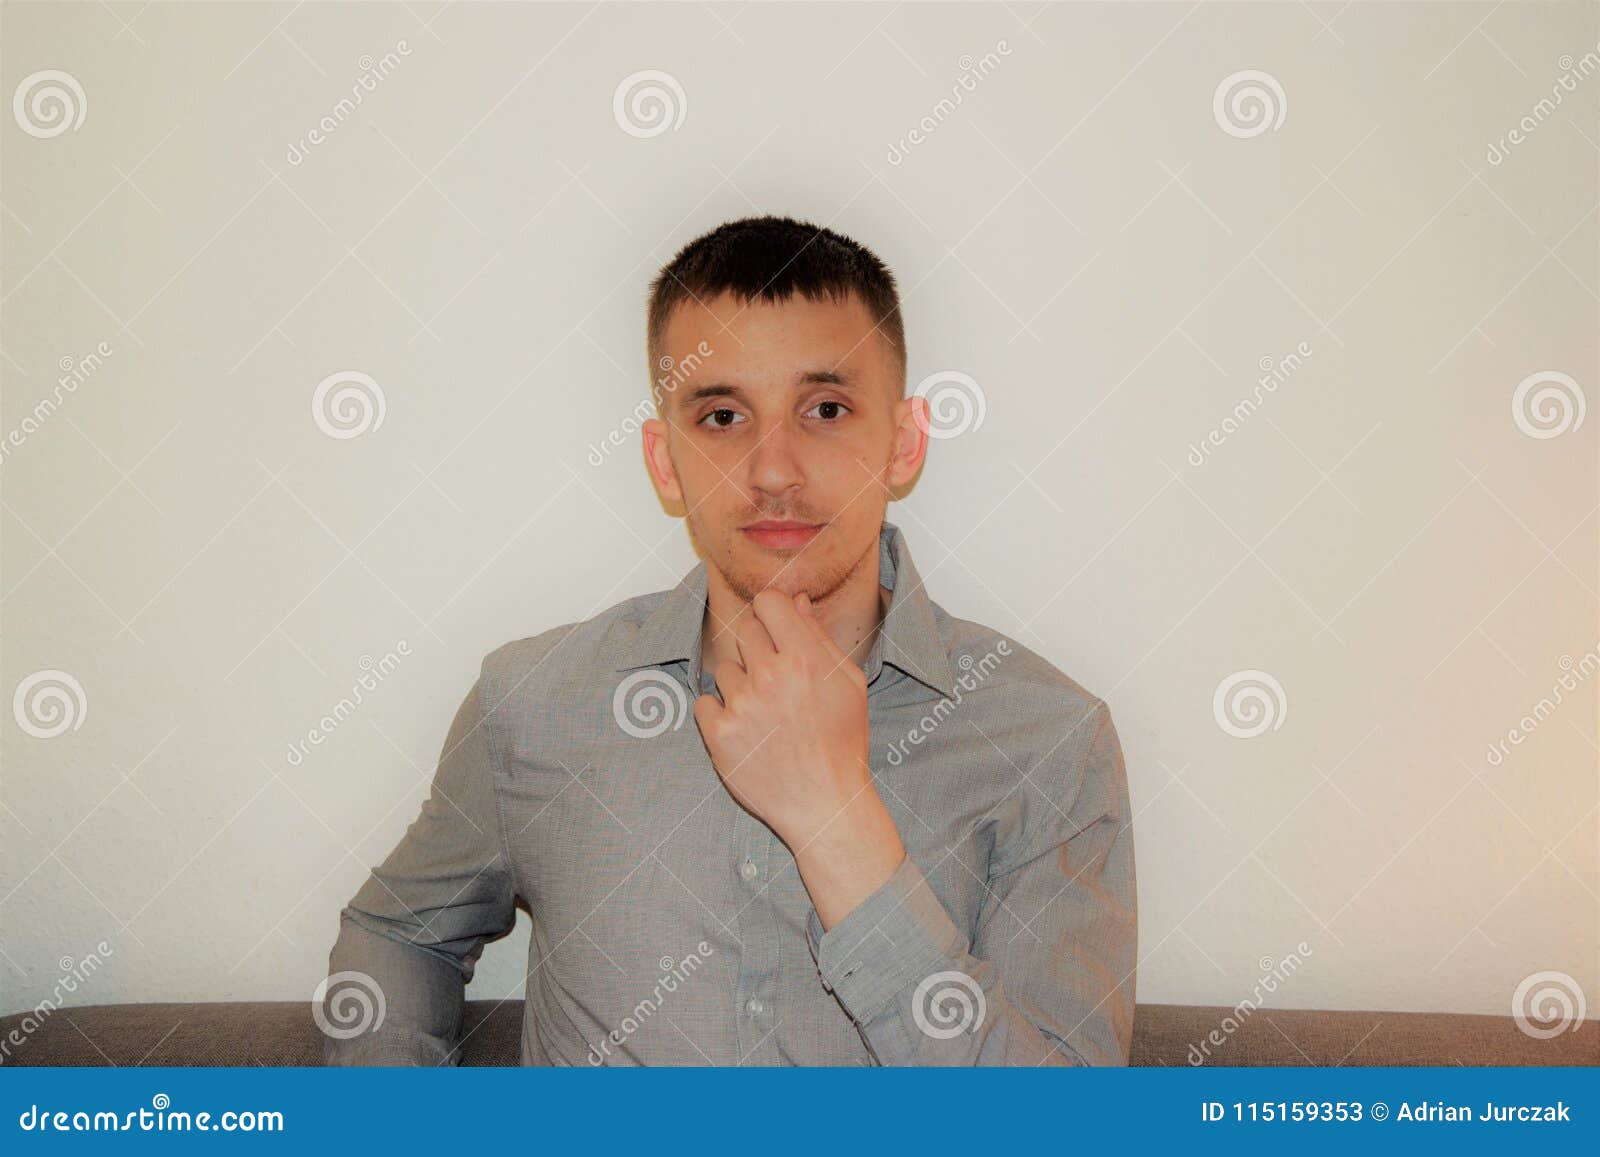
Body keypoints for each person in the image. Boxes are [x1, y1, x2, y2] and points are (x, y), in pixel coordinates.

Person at [323, 215, 1136, 1066]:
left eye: (825, 409)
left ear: (902, 441)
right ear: (664, 461)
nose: (773, 469)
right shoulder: (532, 701)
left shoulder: (1049, 740)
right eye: (720, 416)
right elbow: (398, 934)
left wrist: (836, 817)